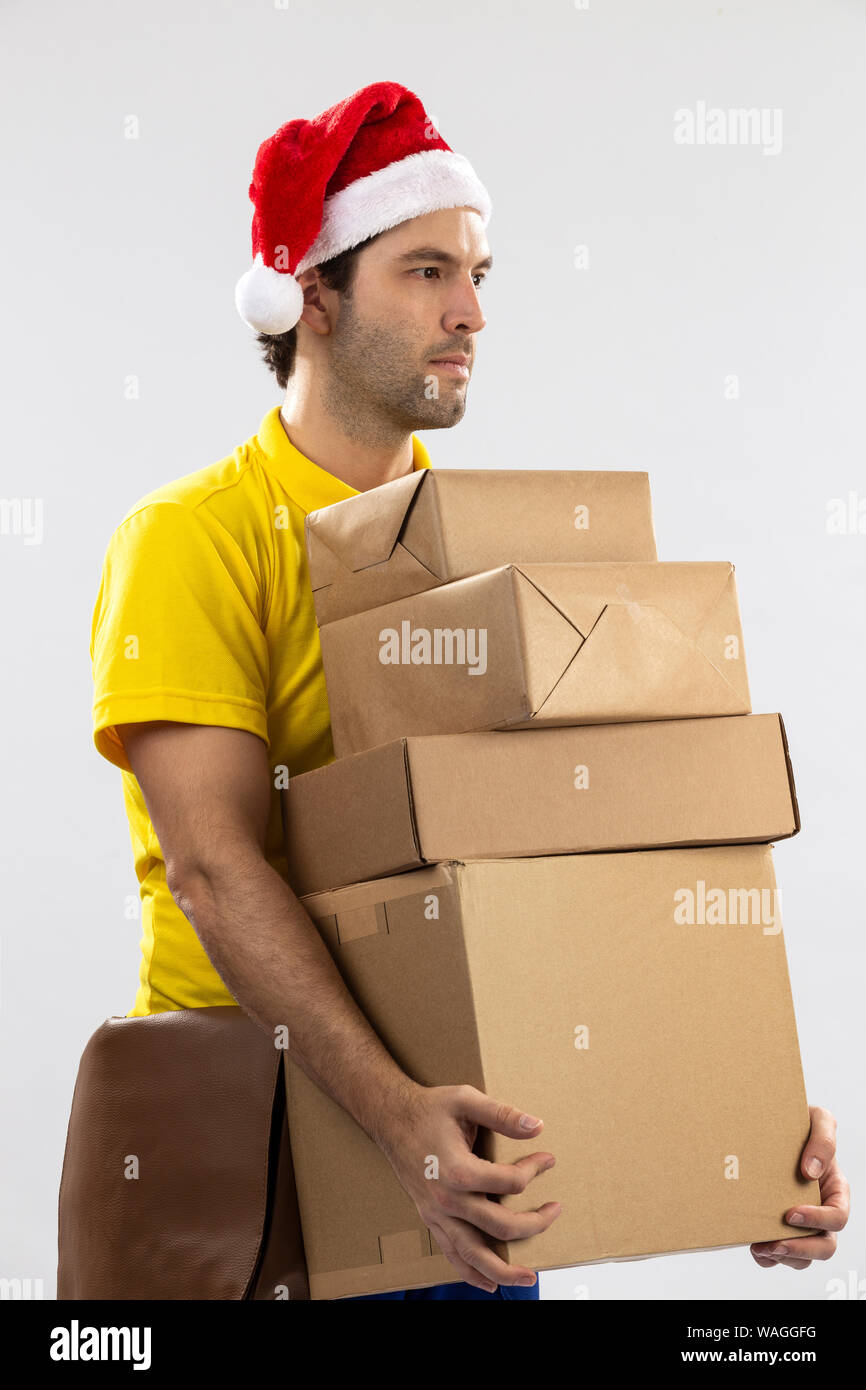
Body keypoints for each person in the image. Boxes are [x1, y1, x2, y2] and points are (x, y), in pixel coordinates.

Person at [60, 80, 848, 1303]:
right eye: (425, 270)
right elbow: (215, 867)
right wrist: (389, 1114)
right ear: (311, 295)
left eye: (478, 273)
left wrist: (729, 1118)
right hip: (272, 1156)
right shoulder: (192, 537)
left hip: (463, 1167)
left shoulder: (483, 566)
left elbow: (564, 871)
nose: (471, 311)